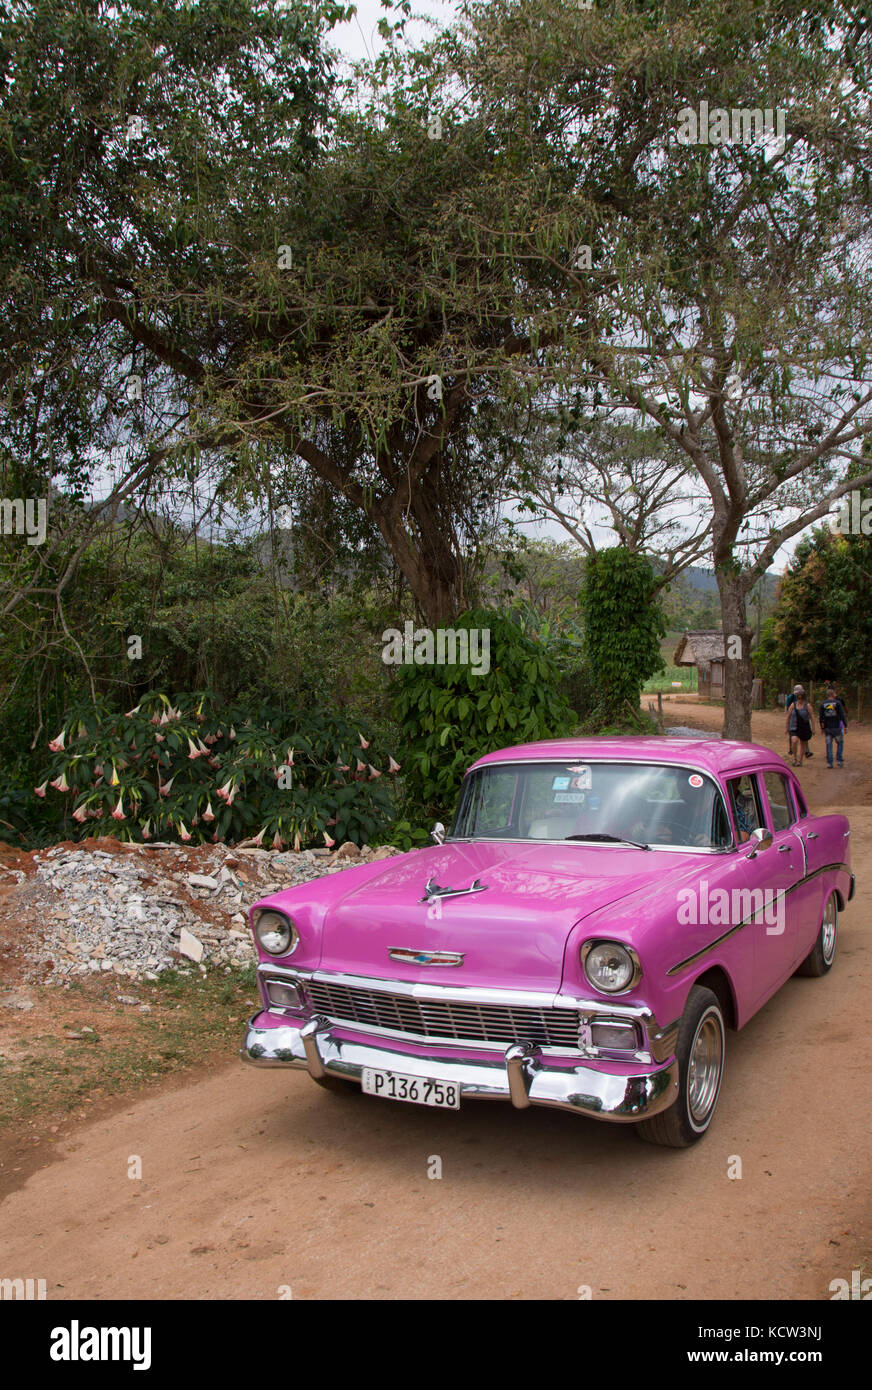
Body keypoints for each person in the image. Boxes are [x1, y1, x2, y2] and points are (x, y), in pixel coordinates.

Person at [819, 685, 848, 768]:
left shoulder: (823, 704)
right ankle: (839, 760)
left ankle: (830, 763)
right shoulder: (838, 703)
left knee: (829, 745)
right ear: (833, 694)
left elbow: (821, 717)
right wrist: (845, 726)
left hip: (828, 728)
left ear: (827, 695)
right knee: (840, 743)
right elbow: (842, 715)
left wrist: (822, 727)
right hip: (837, 727)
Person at [786, 687, 813, 767]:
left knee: (803, 743)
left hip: (804, 727)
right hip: (794, 726)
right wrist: (786, 727)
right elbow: (788, 715)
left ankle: (800, 760)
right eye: (798, 697)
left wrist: (813, 728)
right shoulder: (792, 704)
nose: (799, 698)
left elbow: (811, 716)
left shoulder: (807, 706)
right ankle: (795, 758)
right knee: (794, 740)